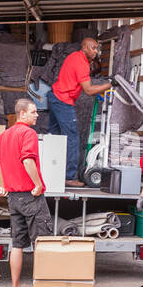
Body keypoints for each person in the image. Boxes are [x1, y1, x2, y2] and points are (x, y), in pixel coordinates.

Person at [0, 99, 52, 287]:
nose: (37, 115)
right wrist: (37, 184)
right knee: (43, 242)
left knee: (17, 243)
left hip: (13, 198)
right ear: (22, 114)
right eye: (33, 112)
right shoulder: (28, 133)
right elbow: (28, 159)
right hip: (30, 197)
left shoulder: (4, 135)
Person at [48, 36, 112, 187]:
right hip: (63, 101)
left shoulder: (73, 56)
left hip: (55, 96)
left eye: (97, 48)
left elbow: (75, 80)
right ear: (85, 48)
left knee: (55, 137)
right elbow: (88, 89)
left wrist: (99, 93)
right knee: (73, 138)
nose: (96, 51)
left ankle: (51, 172)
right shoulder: (82, 63)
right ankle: (70, 177)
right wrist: (109, 85)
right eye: (94, 48)